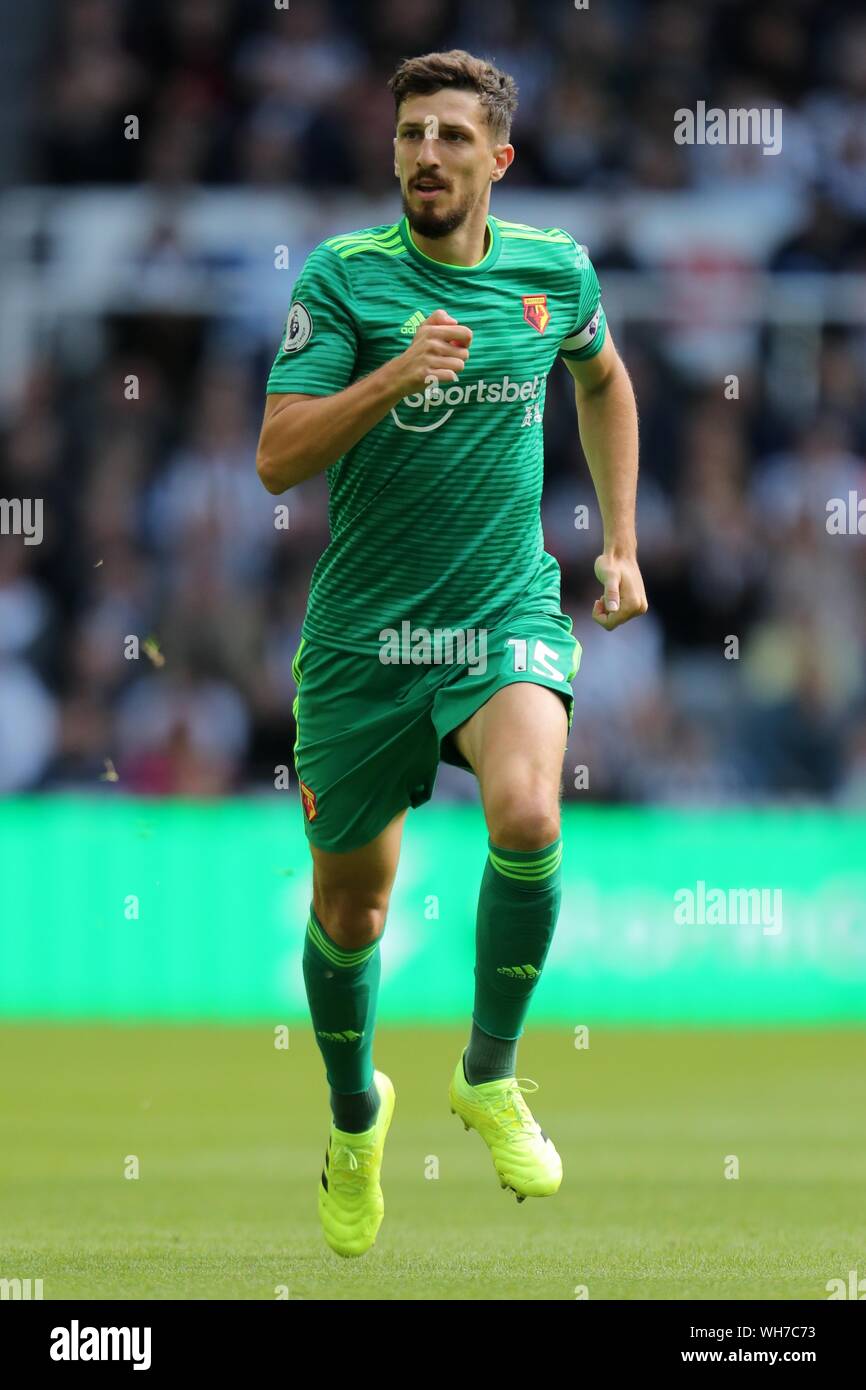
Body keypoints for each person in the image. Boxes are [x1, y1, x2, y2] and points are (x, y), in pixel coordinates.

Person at [255, 49, 647, 1258]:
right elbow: (276, 456)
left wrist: (619, 543)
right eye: (411, 134)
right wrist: (391, 376)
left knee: (529, 815)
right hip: (365, 644)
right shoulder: (345, 282)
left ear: (497, 159)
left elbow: (605, 382)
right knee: (352, 912)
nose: (427, 154)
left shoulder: (552, 271)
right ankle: (353, 1115)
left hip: (501, 613)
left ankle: (487, 1073)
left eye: (452, 138)